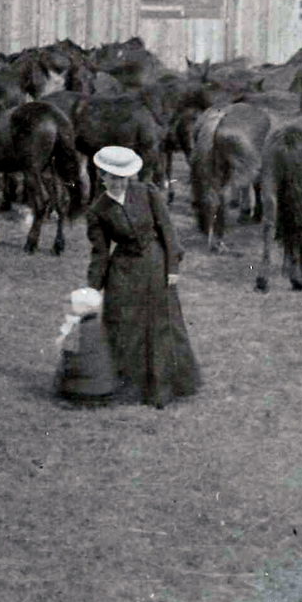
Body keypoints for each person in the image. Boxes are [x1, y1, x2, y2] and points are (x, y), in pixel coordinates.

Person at [57, 144, 200, 409]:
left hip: (157, 267)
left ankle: (163, 387)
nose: (119, 183)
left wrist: (172, 269)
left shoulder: (148, 193)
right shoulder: (98, 211)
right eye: (113, 177)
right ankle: (127, 385)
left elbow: (168, 231)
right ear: (102, 176)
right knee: (125, 328)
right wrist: (92, 288)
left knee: (161, 326)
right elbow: (100, 253)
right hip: (124, 273)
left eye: (123, 178)